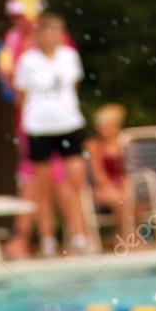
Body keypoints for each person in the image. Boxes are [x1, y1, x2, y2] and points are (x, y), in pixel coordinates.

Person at [0, 0, 75, 260]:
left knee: (61, 182)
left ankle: (74, 236)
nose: (22, 21)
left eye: (26, 16)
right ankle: (33, 238)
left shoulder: (60, 45)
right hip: (35, 124)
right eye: (17, 17)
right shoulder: (14, 41)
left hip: (60, 124)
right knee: (34, 182)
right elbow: (11, 82)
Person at [14, 13, 90, 257]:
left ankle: (79, 236)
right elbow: (21, 94)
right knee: (43, 188)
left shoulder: (69, 56)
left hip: (69, 125)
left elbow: (73, 87)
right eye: (47, 31)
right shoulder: (27, 60)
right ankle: (48, 239)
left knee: (75, 183)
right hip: (39, 129)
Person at [87, 104, 133, 240]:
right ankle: (127, 237)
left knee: (130, 198)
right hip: (101, 189)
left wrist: (125, 189)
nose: (104, 130)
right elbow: (98, 175)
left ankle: (123, 235)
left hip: (120, 186)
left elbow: (126, 172)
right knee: (120, 200)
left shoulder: (123, 143)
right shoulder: (94, 146)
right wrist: (113, 188)